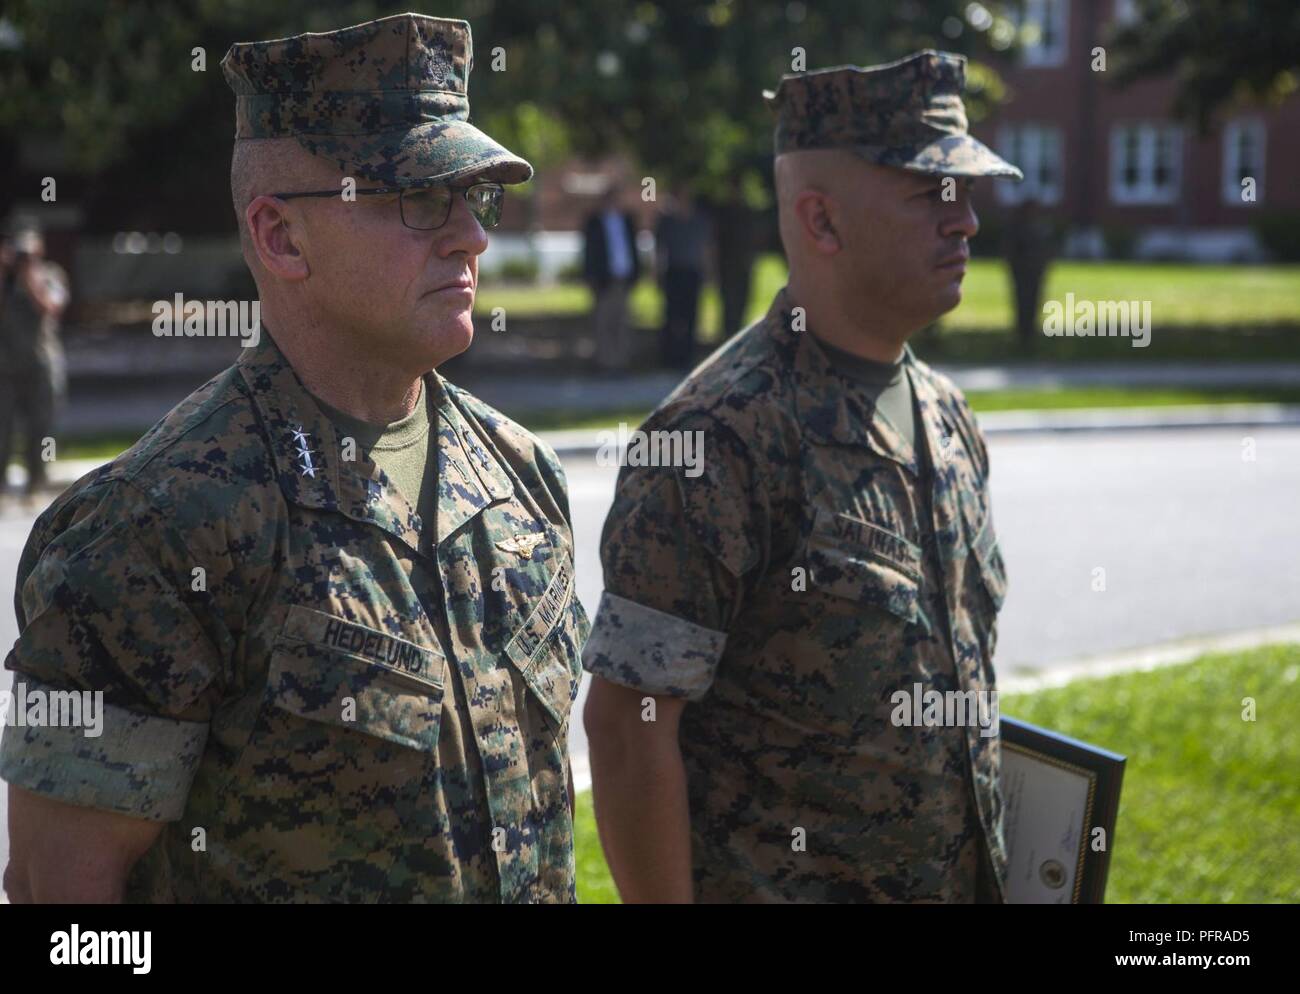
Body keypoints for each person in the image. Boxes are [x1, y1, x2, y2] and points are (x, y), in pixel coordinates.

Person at [1, 13, 588, 904]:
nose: (471, 236)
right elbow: (62, 904)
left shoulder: (522, 478)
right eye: (422, 198)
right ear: (280, 237)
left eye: (478, 198)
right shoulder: (156, 527)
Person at [582, 51, 1024, 903]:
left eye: (968, 191)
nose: (966, 221)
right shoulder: (719, 437)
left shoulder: (947, 415)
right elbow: (630, 726)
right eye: (933, 194)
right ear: (821, 222)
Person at [0, 222, 69, 504]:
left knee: (40, 427)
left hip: (41, 363)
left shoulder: (51, 275)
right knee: (2, 428)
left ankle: (36, 483)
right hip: (5, 365)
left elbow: (51, 307)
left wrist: (30, 277)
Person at [582, 185, 641, 370]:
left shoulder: (627, 220)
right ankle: (606, 362)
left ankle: (621, 361)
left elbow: (634, 248)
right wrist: (591, 277)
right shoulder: (595, 222)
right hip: (604, 281)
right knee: (603, 323)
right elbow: (589, 252)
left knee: (622, 322)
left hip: (624, 279)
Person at [655, 186, 711, 370]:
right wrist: (657, 272)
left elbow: (706, 248)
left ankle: (688, 356)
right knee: (672, 315)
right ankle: (670, 356)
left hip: (692, 272)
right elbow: (660, 250)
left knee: (692, 315)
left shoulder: (699, 221)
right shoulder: (667, 222)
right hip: (673, 272)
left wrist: (708, 271)